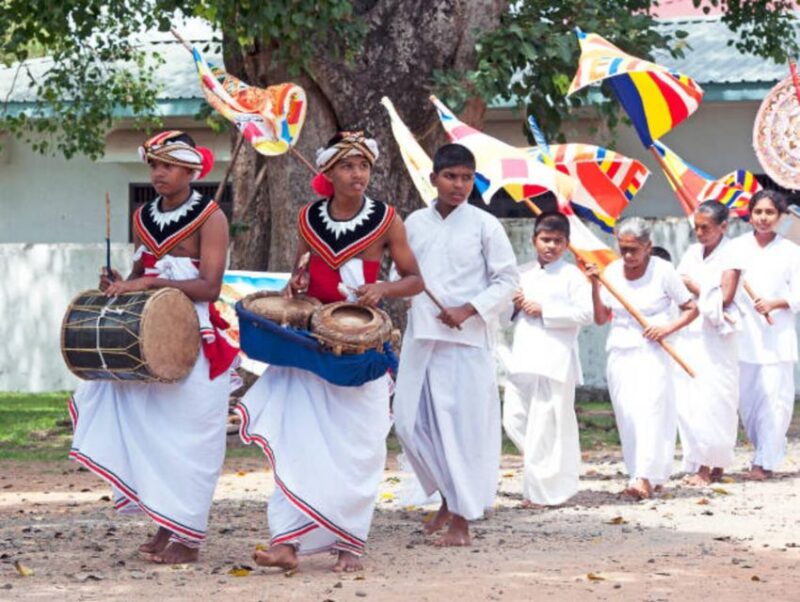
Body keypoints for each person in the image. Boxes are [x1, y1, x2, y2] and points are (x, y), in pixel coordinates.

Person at [236, 131, 423, 572]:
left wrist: (383, 286)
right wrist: (295, 286)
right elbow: (298, 277)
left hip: (360, 349)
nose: (357, 174)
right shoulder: (307, 219)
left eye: (363, 166)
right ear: (329, 173)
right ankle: (287, 542)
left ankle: (349, 542)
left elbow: (415, 279)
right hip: (312, 347)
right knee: (298, 440)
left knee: (355, 448)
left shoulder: (388, 219)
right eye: (347, 166)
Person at [69, 130, 239, 563]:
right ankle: (168, 523)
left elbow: (210, 286)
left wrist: (149, 281)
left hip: (195, 339)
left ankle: (189, 536)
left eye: (167, 166)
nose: (158, 173)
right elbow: (139, 269)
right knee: (154, 432)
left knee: (190, 437)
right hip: (151, 340)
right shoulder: (143, 216)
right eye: (153, 165)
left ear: (190, 170)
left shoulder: (211, 216)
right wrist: (120, 284)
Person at [393, 144, 519, 546]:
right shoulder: (413, 222)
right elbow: (405, 271)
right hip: (421, 336)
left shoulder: (486, 224)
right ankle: (448, 496)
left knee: (462, 430)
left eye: (467, 178)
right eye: (451, 176)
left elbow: (507, 280)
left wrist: (468, 309)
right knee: (411, 422)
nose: (459, 185)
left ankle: (462, 521)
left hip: (465, 342)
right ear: (433, 178)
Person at [585, 217, 697, 499]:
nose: (628, 255)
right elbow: (600, 319)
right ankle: (640, 471)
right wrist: (594, 285)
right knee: (628, 414)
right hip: (620, 352)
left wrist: (666, 328)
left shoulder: (663, 271)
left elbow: (691, 308)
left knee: (651, 412)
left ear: (648, 246)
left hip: (655, 352)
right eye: (623, 248)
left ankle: (644, 478)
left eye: (634, 249)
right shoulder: (610, 271)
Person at [502, 212, 592, 507]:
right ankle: (547, 476)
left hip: (554, 358)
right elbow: (503, 318)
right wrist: (513, 305)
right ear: (534, 240)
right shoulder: (520, 273)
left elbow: (586, 314)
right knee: (514, 419)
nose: (550, 246)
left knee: (545, 428)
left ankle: (542, 491)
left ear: (567, 244)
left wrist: (545, 309)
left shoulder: (573, 276)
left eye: (557, 241)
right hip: (523, 357)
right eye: (545, 239)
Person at [729, 190, 800, 480]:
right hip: (744, 336)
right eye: (758, 212)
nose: (763, 218)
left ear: (780, 216)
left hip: (777, 336)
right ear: (750, 214)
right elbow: (726, 288)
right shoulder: (735, 249)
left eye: (770, 213)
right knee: (748, 404)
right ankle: (764, 450)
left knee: (775, 401)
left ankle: (764, 461)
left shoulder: (792, 251)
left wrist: (776, 302)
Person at [675, 201, 741, 486]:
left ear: (723, 227)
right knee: (690, 399)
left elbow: (725, 296)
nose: (700, 233)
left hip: (718, 336)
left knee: (716, 399)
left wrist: (695, 287)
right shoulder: (691, 252)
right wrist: (689, 291)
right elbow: (677, 286)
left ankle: (712, 463)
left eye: (706, 227)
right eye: (696, 227)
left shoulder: (733, 253)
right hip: (691, 333)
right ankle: (699, 461)